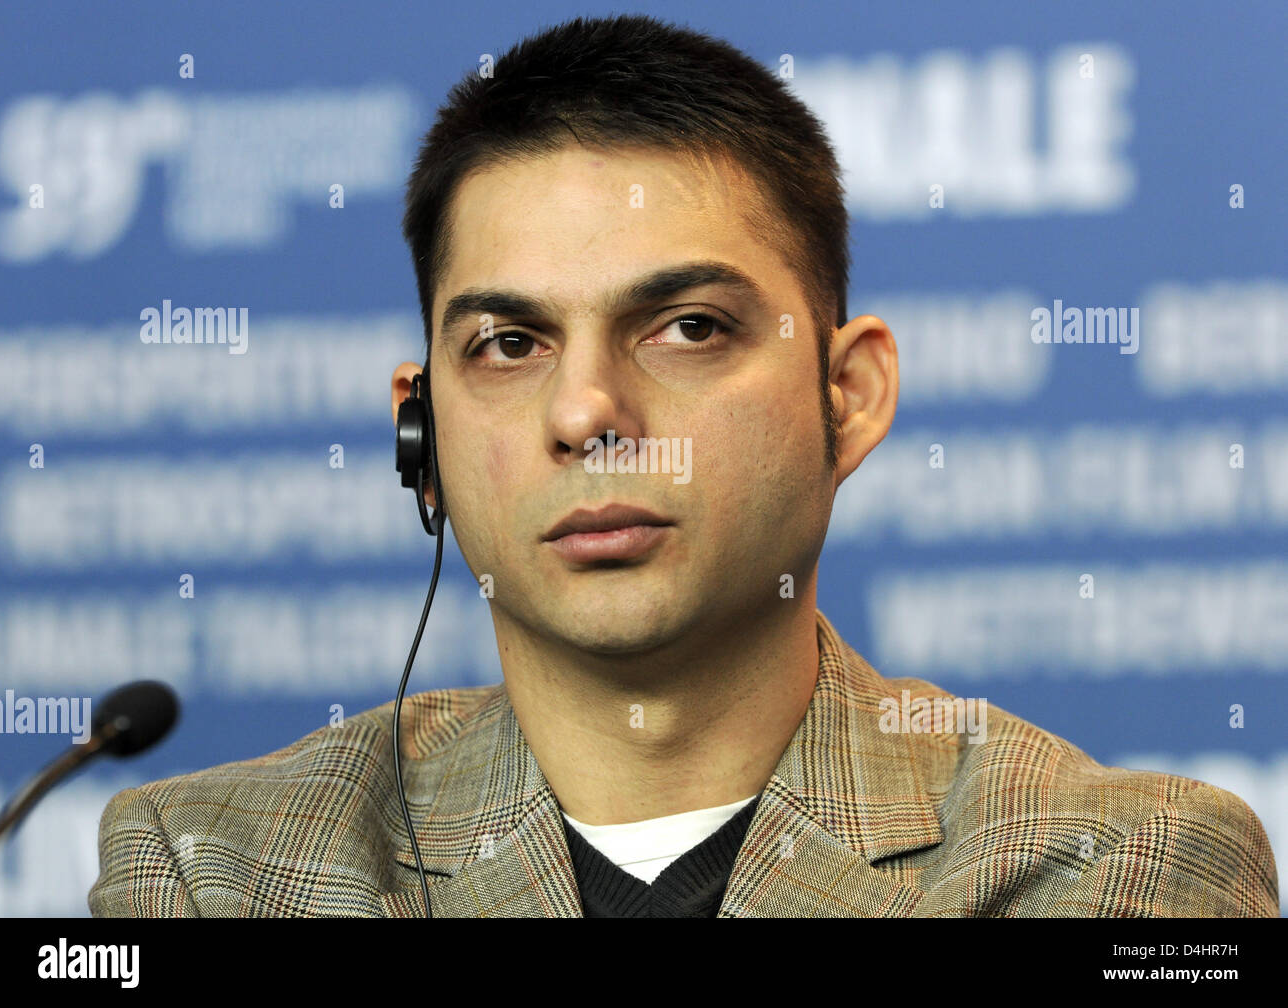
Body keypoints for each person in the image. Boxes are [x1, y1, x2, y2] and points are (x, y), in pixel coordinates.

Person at [89, 13, 1278, 917]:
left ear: (848, 395)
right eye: (508, 345)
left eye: (689, 328)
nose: (588, 411)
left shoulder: (1115, 869)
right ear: (424, 437)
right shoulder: (217, 871)